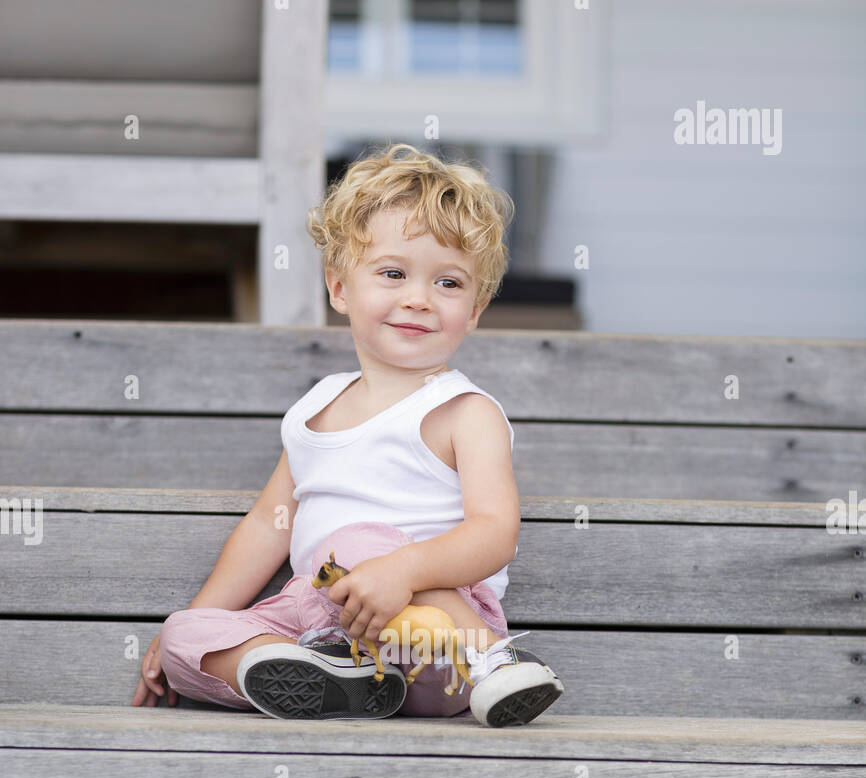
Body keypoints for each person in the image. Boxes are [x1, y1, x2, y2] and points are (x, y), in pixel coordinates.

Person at [131, 142, 564, 726]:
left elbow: (494, 534)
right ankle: (333, 682)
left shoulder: (465, 412)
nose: (418, 297)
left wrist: (401, 571)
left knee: (357, 543)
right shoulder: (315, 409)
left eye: (449, 284)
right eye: (393, 273)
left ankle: (496, 663)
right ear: (339, 288)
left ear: (476, 308)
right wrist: (201, 613)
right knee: (187, 636)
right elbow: (268, 525)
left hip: (436, 640)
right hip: (323, 617)